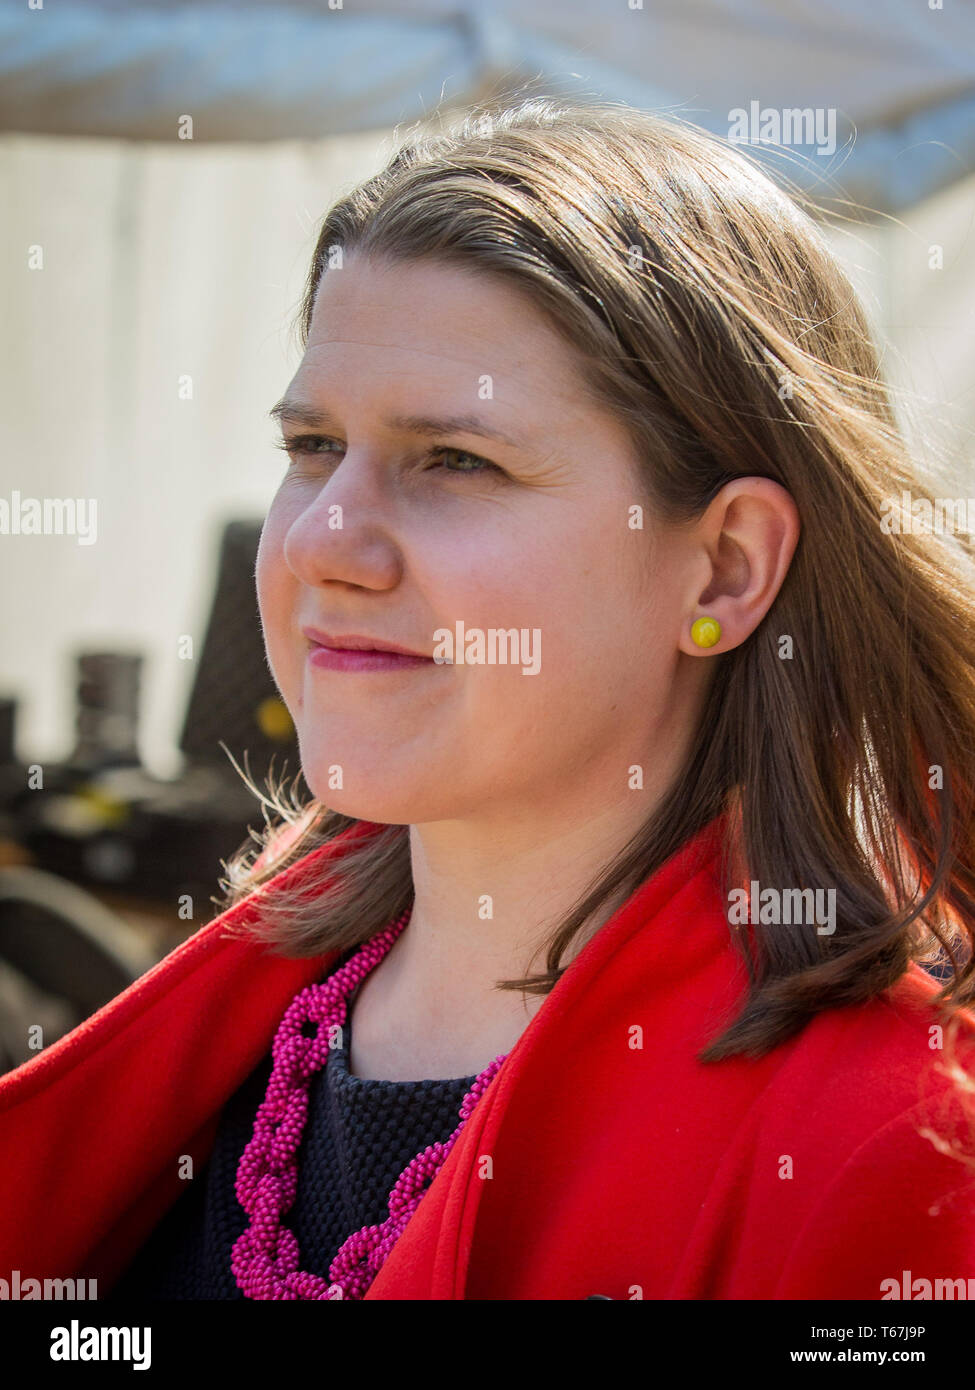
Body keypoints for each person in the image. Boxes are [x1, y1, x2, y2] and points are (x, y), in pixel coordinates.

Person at [2, 94, 975, 1302]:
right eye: (311, 447)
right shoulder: (222, 1022)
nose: (324, 541)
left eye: (457, 460)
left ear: (723, 565)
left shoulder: (880, 1151)